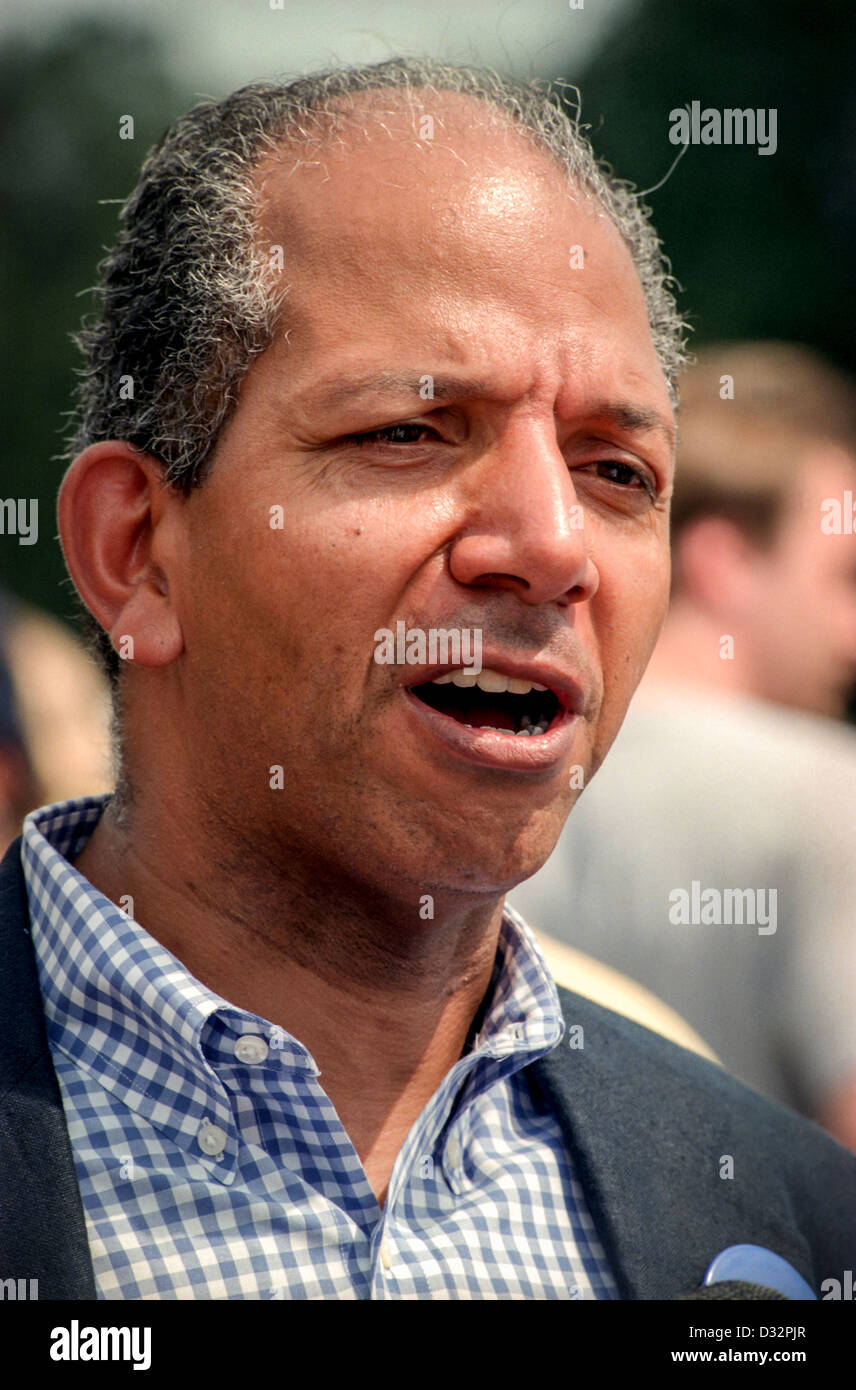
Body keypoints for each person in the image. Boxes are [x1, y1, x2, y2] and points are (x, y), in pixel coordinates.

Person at [2, 60, 853, 1303]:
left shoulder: (787, 1224)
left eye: (615, 470)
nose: (551, 545)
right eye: (407, 431)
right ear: (136, 553)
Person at [511, 344, 856, 1144]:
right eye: (843, 578)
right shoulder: (827, 791)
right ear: (725, 560)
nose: (851, 634)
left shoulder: (504, 763)